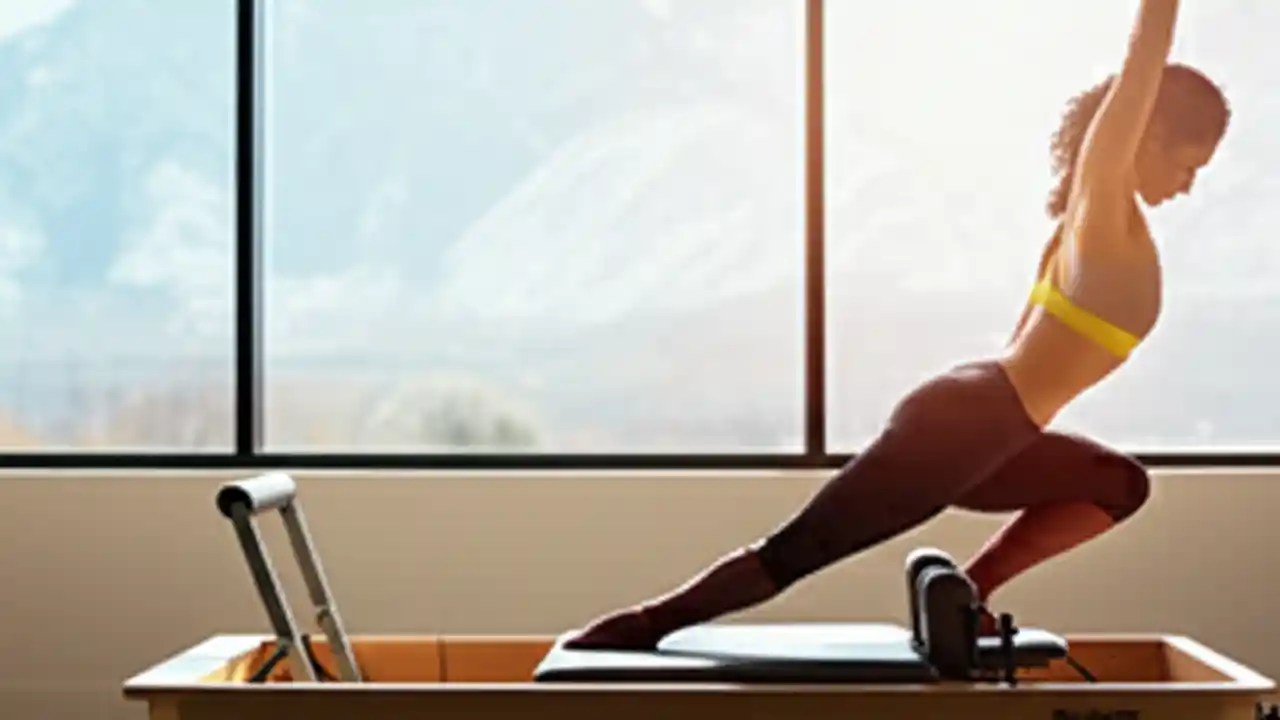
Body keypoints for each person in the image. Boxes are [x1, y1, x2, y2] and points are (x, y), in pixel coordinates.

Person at [565, 0, 1231, 650]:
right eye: (1186, 164)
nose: (1188, 185)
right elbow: (1144, 59)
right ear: (1143, 130)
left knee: (1120, 485)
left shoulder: (1094, 230)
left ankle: (969, 595)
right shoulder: (1101, 208)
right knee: (795, 554)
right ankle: (638, 628)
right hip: (968, 422)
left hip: (996, 432)